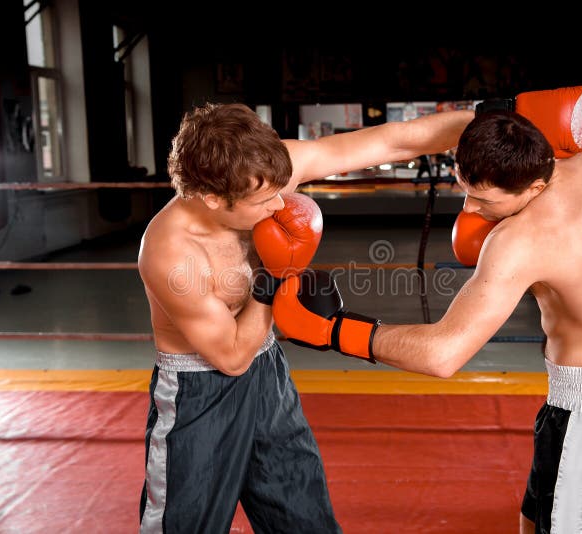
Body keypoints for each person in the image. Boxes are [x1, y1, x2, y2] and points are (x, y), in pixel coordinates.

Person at [272, 87, 582, 533]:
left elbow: (443, 354)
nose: (470, 209)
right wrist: (295, 162)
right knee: (532, 522)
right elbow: (401, 139)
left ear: (534, 187)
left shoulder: (525, 238)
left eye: (486, 202)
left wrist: (331, 331)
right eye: (465, 191)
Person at [136, 101, 474, 532]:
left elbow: (394, 141)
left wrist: (489, 117)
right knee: (184, 526)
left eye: (280, 188)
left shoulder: (263, 171)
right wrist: (275, 275)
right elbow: (233, 356)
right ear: (214, 199)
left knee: (304, 517)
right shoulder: (171, 251)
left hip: (268, 376)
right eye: (264, 200)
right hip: (197, 393)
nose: (281, 203)